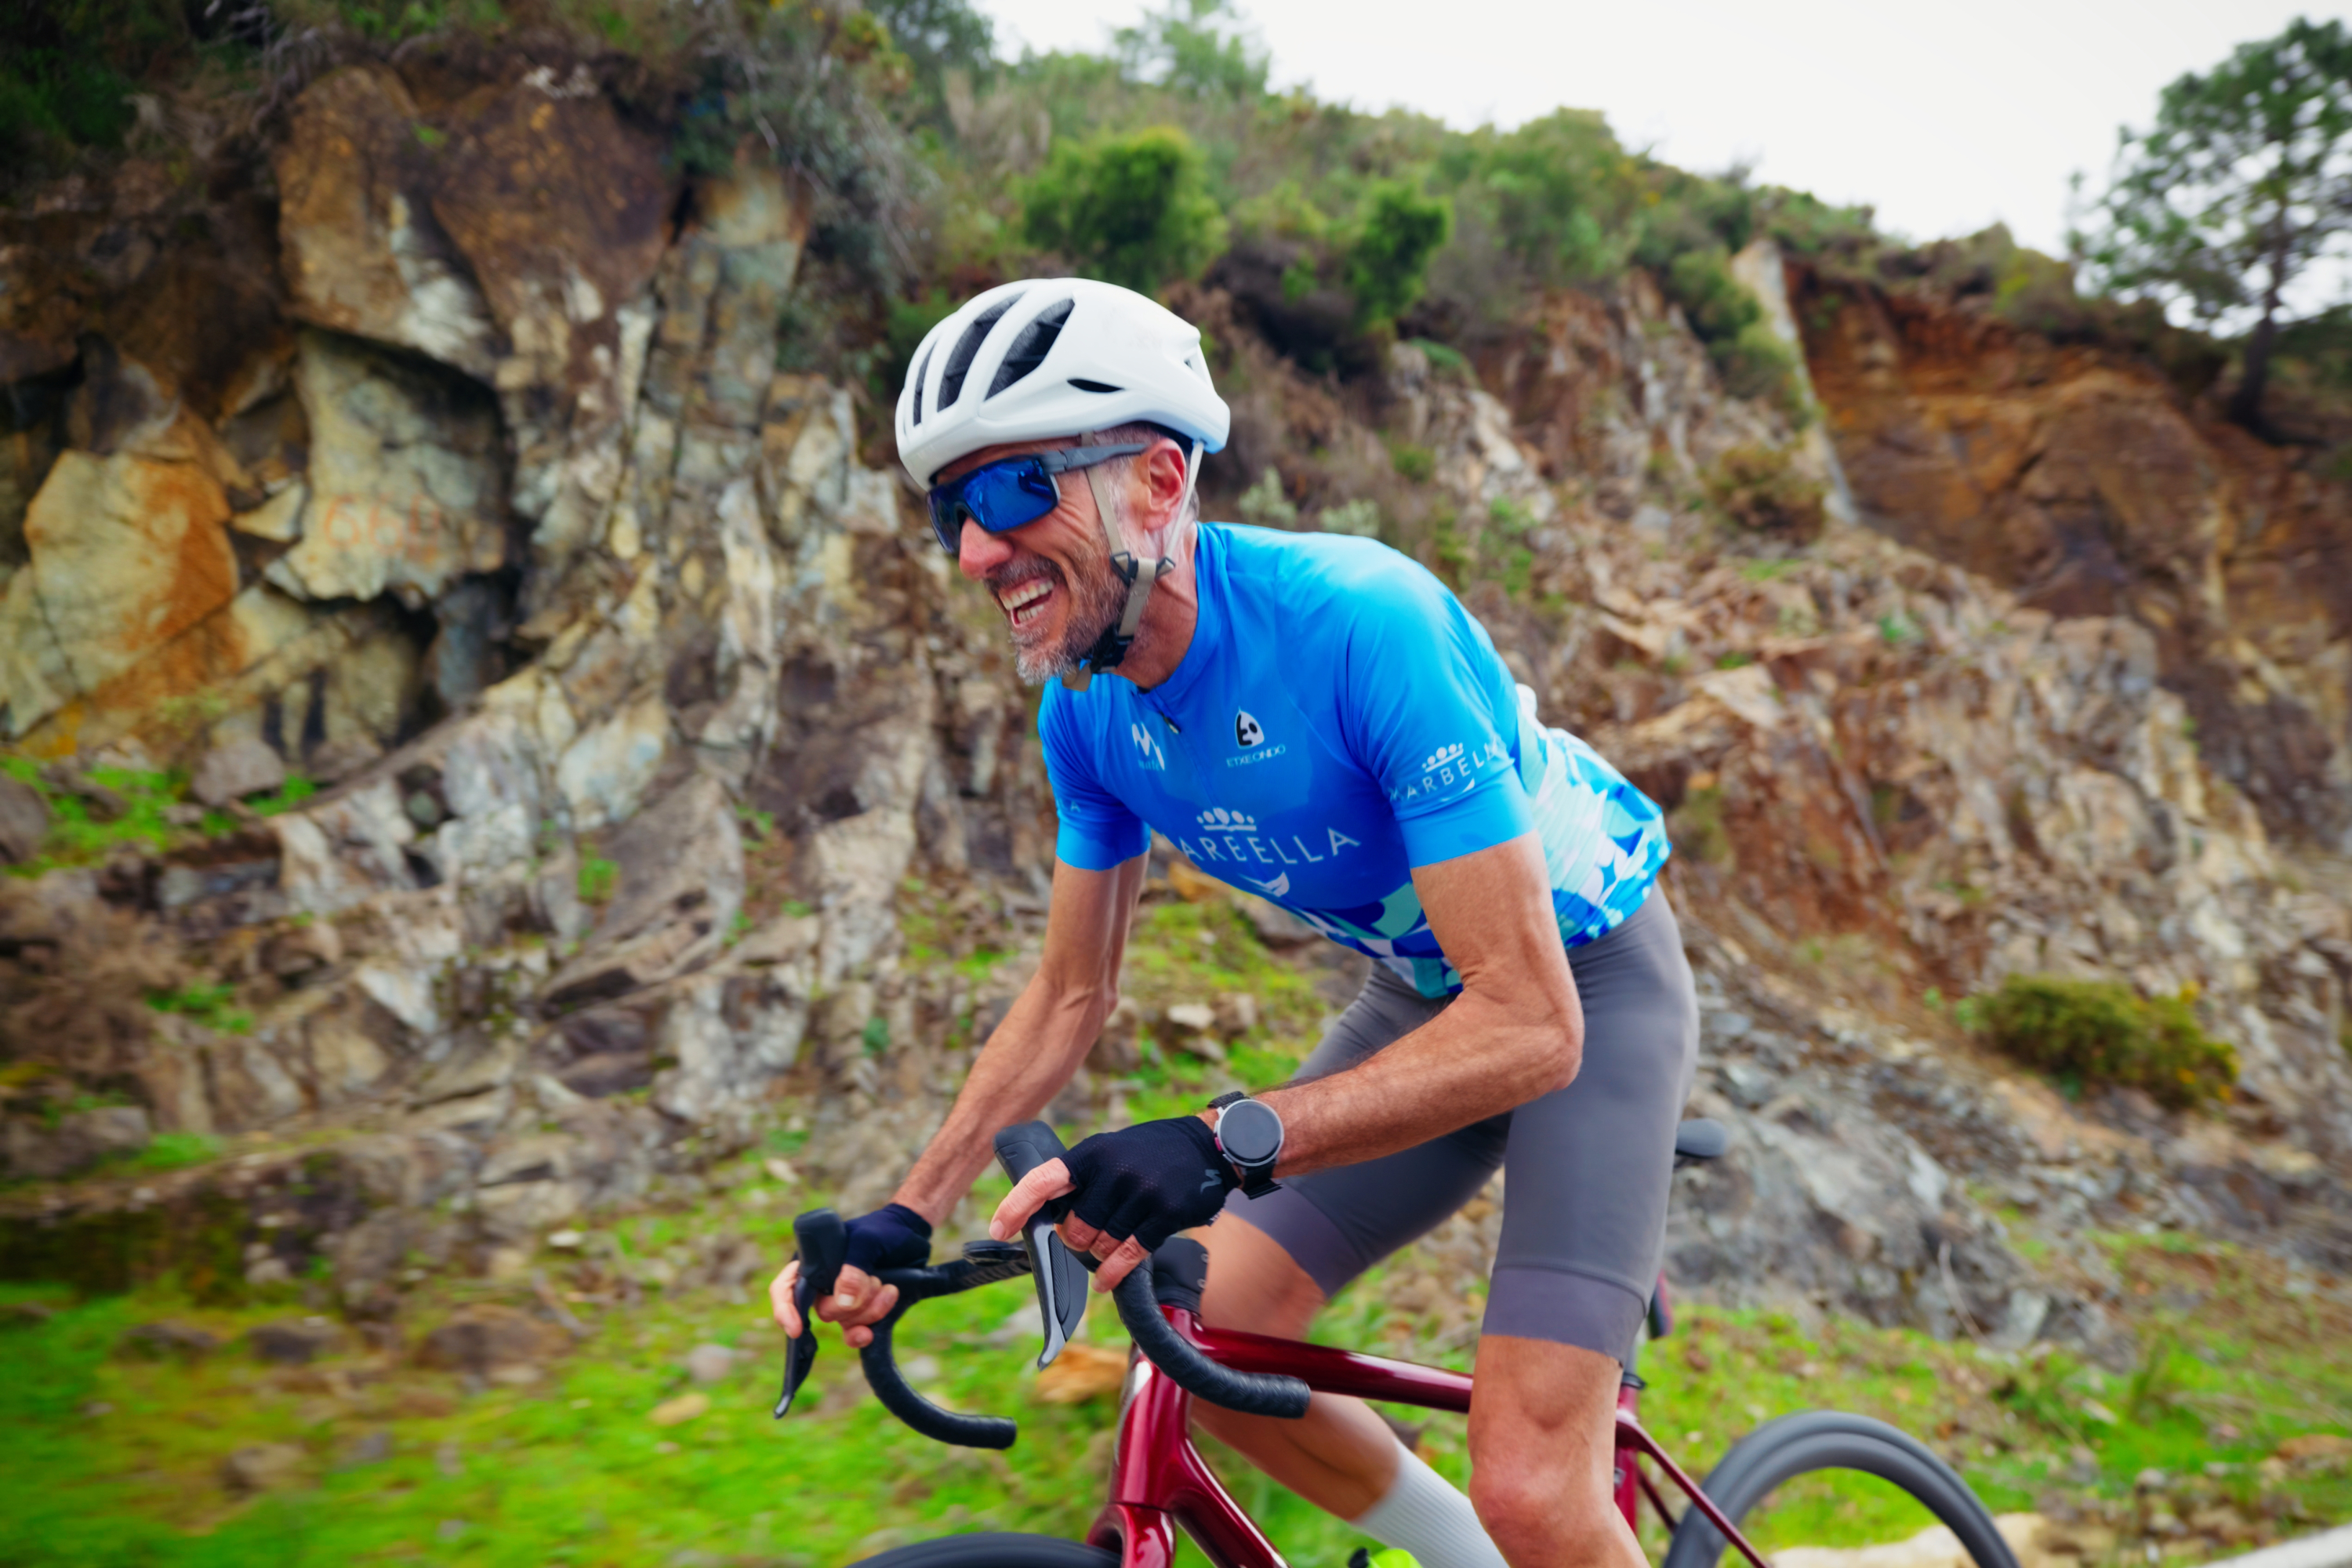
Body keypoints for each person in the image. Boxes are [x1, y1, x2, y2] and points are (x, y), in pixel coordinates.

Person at [769, 278, 1699, 1568]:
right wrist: (904, 1214)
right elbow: (1067, 999)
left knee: (1538, 1488)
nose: (977, 551)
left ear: (1157, 480)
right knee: (1212, 1346)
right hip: (1418, 993)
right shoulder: (1084, 712)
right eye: (951, 511)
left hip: (1585, 986)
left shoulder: (1365, 624)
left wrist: (1230, 1139)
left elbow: (1535, 1027)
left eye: (1012, 494)